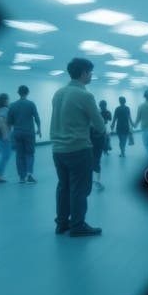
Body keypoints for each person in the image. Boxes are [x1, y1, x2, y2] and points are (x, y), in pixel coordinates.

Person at [50, 57, 105, 236]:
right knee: (80, 189)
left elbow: (67, 118)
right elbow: (100, 125)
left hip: (58, 150)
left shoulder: (58, 93)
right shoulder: (85, 95)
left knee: (63, 186)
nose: (91, 76)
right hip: (78, 149)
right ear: (83, 73)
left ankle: (62, 223)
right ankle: (78, 225)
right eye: (90, 73)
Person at [7, 85, 41, 183]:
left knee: (19, 155)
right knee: (30, 154)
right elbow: (36, 117)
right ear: (27, 93)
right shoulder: (31, 104)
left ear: (18, 93)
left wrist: (9, 134)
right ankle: (29, 175)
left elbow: (9, 122)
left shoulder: (12, 105)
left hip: (17, 133)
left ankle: (22, 177)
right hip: (29, 133)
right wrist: (39, 129)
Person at [91, 101, 106, 191]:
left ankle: (92, 180)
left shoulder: (85, 122)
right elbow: (102, 132)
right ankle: (97, 181)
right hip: (97, 145)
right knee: (96, 162)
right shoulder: (99, 121)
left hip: (87, 145)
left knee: (89, 162)